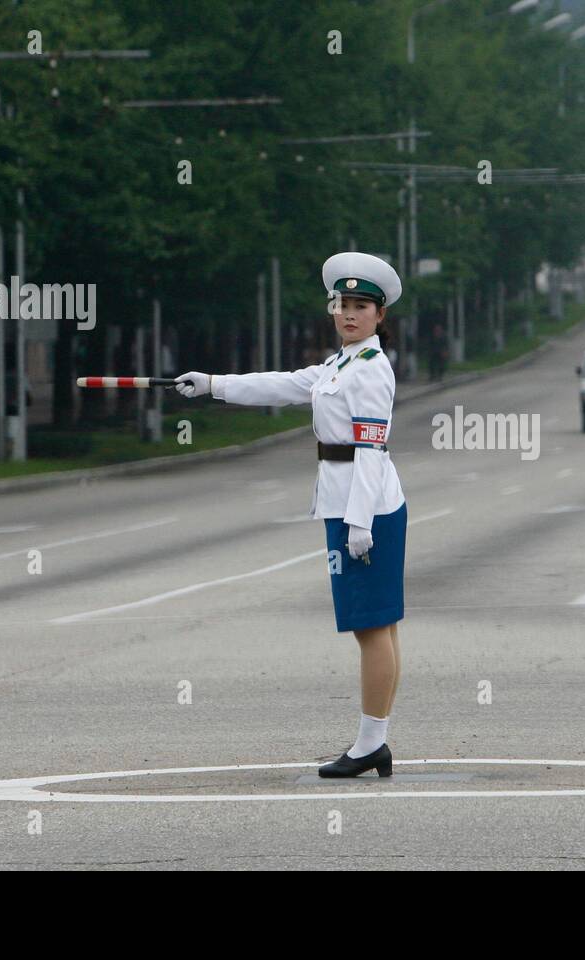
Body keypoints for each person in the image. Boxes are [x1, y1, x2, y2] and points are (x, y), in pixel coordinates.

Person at [175, 252, 407, 779]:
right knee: (379, 626)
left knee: (372, 627)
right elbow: (280, 383)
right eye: (342, 304)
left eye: (361, 306)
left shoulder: (370, 371)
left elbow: (370, 449)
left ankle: (372, 743)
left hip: (363, 505)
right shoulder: (338, 365)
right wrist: (213, 384)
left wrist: (361, 521)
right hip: (347, 499)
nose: (349, 313)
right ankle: (376, 741)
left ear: (379, 315)